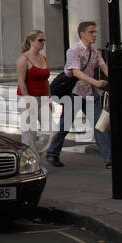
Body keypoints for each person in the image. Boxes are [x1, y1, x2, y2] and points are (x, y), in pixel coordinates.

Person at [46, 20, 110, 168]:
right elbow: (76, 72)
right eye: (91, 32)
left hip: (89, 94)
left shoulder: (94, 52)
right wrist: (96, 82)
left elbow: (104, 66)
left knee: (100, 125)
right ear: (82, 34)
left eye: (95, 32)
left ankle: (109, 159)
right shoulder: (73, 51)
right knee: (65, 125)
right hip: (73, 93)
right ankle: (52, 153)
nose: (94, 35)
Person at [15, 29, 51, 164]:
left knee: (49, 132)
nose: (43, 43)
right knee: (29, 133)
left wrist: (49, 98)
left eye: (44, 40)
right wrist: (27, 99)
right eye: (40, 40)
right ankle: (31, 164)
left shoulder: (43, 58)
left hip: (43, 97)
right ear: (31, 41)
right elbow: (21, 80)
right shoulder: (24, 59)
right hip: (28, 97)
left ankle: (32, 158)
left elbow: (46, 80)